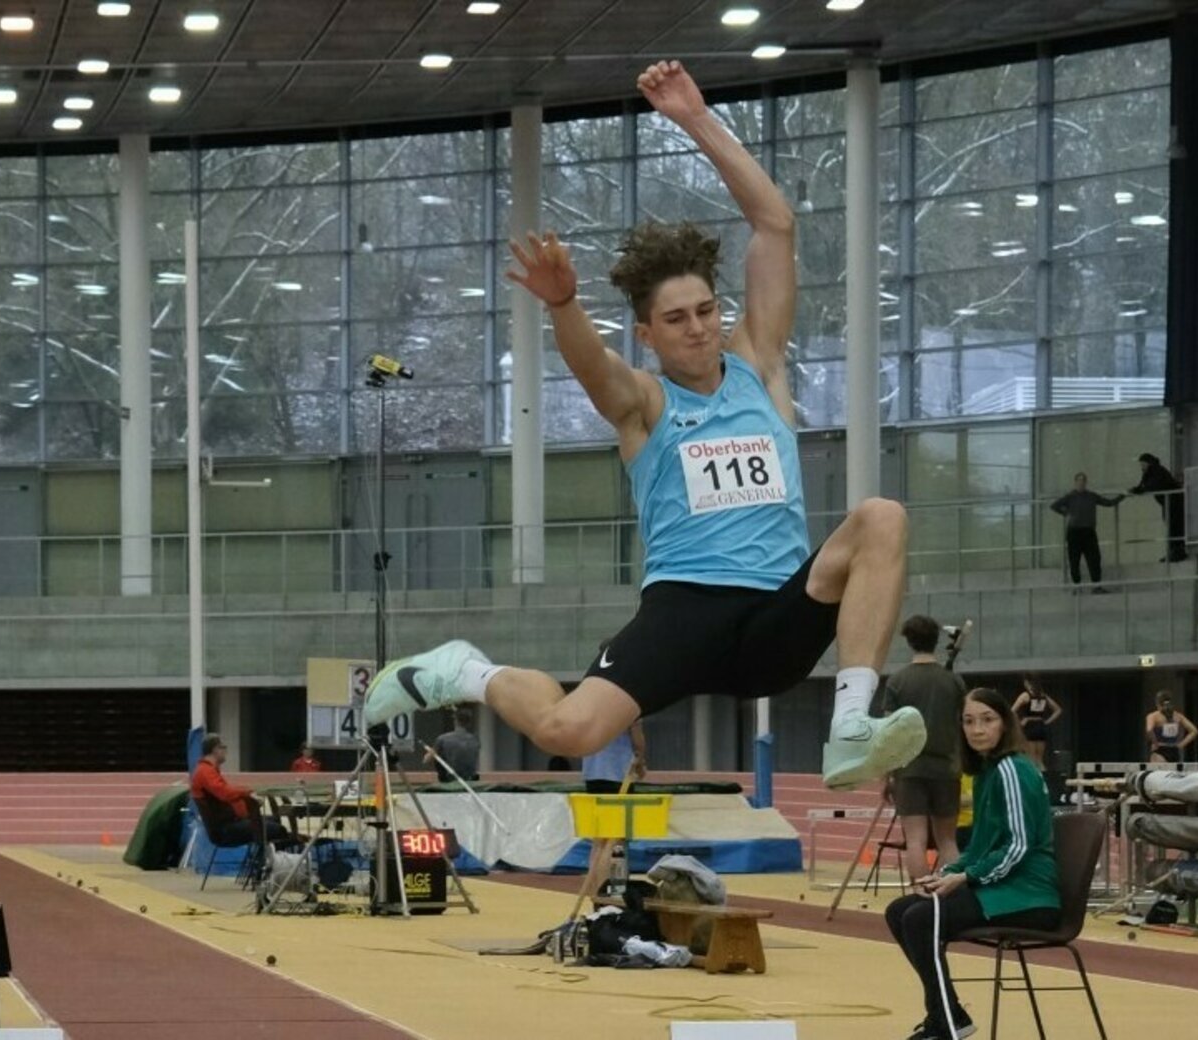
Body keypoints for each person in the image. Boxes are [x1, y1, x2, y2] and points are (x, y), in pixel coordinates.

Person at [364, 60, 924, 792]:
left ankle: (851, 725)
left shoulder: (760, 367)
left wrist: (695, 120)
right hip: (685, 610)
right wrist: (564, 305)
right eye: (676, 320)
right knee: (571, 729)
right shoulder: (645, 404)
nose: (697, 329)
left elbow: (774, 223)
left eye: (705, 312)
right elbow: (593, 367)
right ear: (647, 335)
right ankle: (463, 668)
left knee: (881, 516)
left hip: (778, 617)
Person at [884, 687, 1058, 1040]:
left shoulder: (1011, 769)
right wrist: (946, 874)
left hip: (1029, 894)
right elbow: (980, 845)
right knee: (900, 910)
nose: (977, 729)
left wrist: (967, 878)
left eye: (987, 720)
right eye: (968, 721)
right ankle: (948, 1014)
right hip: (1004, 888)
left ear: (1005, 724)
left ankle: (946, 1022)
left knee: (921, 918)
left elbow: (1018, 845)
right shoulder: (987, 772)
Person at [879, 616, 966, 883]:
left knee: (915, 840)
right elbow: (964, 724)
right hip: (947, 768)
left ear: (908, 641)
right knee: (947, 841)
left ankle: (922, 895)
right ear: (936, 641)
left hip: (909, 770)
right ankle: (954, 893)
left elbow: (889, 732)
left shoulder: (898, 681)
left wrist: (886, 775)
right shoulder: (954, 682)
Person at [576, 718, 647, 901]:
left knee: (599, 838)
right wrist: (640, 758)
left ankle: (596, 891)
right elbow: (637, 736)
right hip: (618, 774)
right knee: (616, 838)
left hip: (593, 774)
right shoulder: (626, 701)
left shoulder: (590, 702)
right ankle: (614, 890)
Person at [189, 733, 287, 851]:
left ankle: (266, 861)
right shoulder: (205, 771)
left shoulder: (208, 771)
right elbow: (225, 794)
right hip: (225, 829)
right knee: (278, 830)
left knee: (273, 821)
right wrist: (247, 793)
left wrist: (248, 802)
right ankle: (271, 864)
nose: (226, 751)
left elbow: (227, 797)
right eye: (224, 747)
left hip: (228, 824)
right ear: (215, 749)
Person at [1048, 473, 1122, 592]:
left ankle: (1096, 586)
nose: (1081, 483)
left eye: (1083, 481)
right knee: (1074, 560)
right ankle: (1077, 587)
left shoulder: (1091, 496)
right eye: (1079, 480)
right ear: (1075, 482)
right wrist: (1066, 513)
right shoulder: (1070, 496)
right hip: (1074, 532)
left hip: (1088, 532)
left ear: (1085, 482)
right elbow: (1054, 506)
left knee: (1094, 559)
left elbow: (1109, 503)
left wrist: (1122, 496)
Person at [1129, 452, 1186, 563]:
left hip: (1174, 502)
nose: (1141, 466)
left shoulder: (1157, 470)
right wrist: (1137, 490)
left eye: (1143, 464)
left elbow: (1153, 485)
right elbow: (1144, 485)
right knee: (1171, 526)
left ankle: (1178, 552)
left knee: (1175, 527)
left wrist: (1140, 489)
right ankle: (1173, 551)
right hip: (1168, 502)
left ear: (1148, 463)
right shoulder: (1149, 472)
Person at [1010, 677, 1060, 771]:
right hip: (1041, 726)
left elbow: (1012, 710)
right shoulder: (1043, 696)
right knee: (1040, 760)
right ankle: (1043, 780)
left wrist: (1020, 722)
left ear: (1028, 683)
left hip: (1030, 726)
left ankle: (1034, 781)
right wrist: (1046, 721)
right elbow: (1057, 710)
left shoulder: (1025, 695)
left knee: (1031, 758)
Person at [424, 708, 481, 782]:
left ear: (455, 721)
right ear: (469, 723)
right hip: (471, 781)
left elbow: (426, 760)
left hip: (449, 781)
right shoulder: (475, 740)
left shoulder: (442, 739)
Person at [1143, 692, 1197, 764]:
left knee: (1159, 774)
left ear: (1158, 704)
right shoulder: (1178, 716)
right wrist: (1181, 745)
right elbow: (1194, 731)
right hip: (1174, 749)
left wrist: (1155, 742)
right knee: (1172, 774)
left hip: (1160, 749)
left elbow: (1149, 730)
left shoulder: (1153, 716)